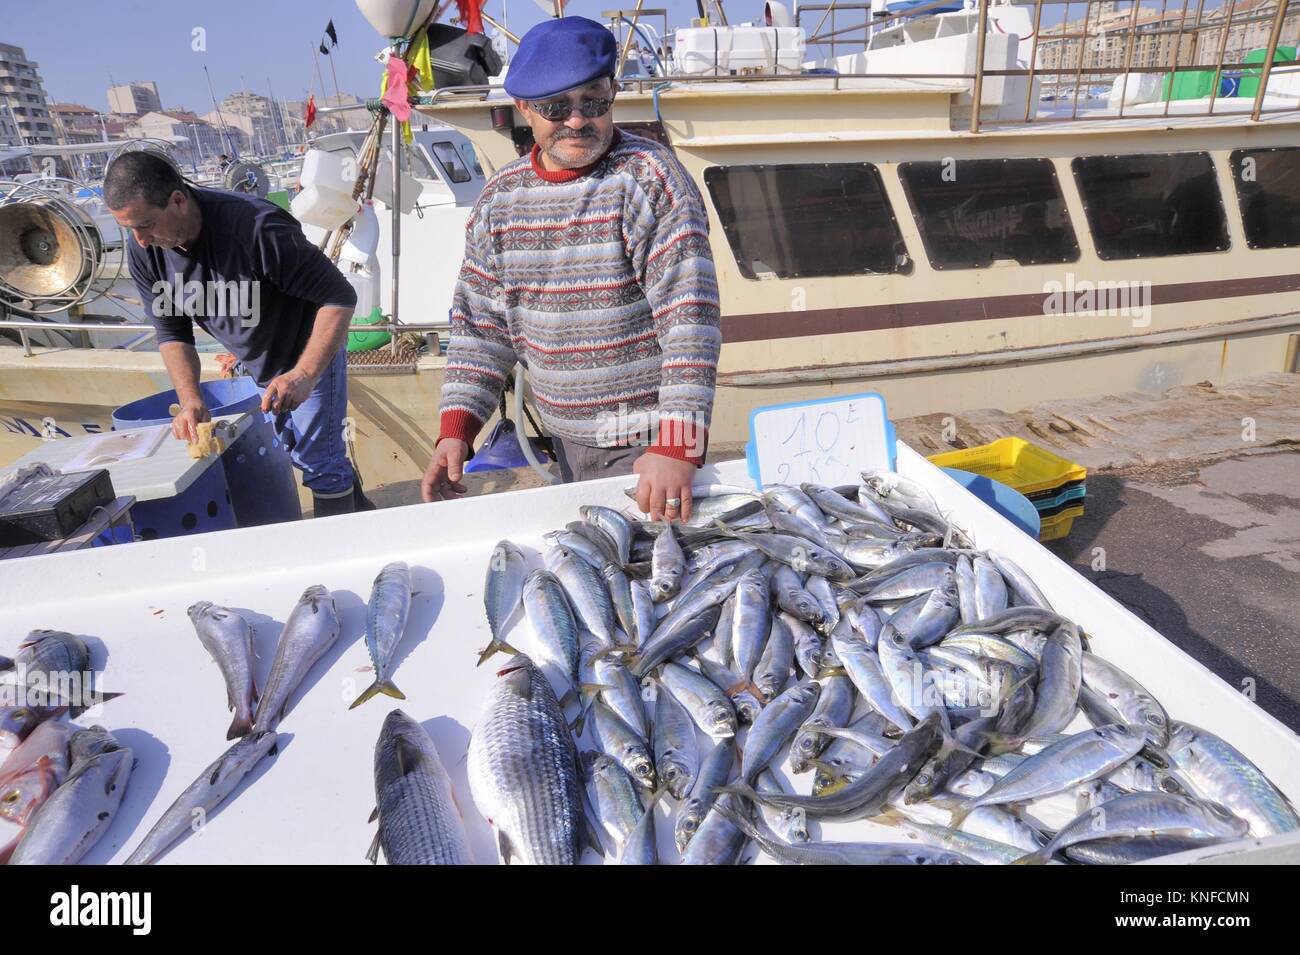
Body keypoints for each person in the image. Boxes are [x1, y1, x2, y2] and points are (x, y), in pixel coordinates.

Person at [420, 16, 721, 522]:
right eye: (556, 107)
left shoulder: (649, 178)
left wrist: (679, 446)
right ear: (524, 110)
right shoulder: (500, 198)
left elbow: (690, 320)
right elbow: (479, 326)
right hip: (564, 438)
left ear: (613, 94)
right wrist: (457, 428)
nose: (578, 120)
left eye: (594, 101)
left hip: (646, 444)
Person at [104, 151, 374, 517]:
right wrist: (190, 399)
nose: (140, 240)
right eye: (129, 229)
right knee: (302, 451)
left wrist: (304, 374)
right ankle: (368, 519)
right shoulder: (147, 251)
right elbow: (172, 333)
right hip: (259, 365)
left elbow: (339, 296)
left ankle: (340, 556)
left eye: (147, 224)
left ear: (178, 200)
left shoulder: (256, 227)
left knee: (319, 465)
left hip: (307, 353)